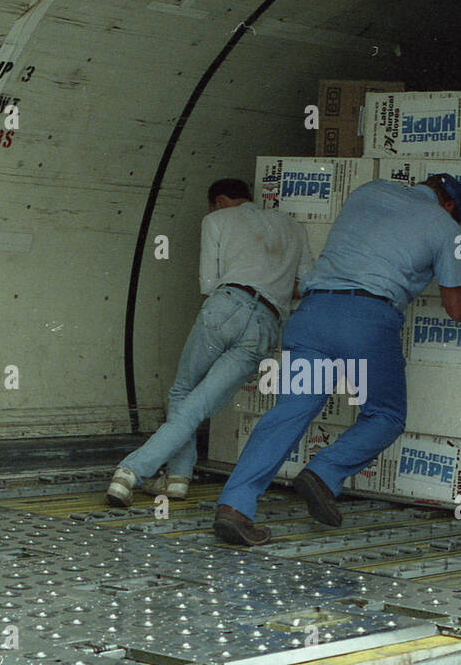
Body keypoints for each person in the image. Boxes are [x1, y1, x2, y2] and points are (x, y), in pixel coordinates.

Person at [213, 174, 461, 546]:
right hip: (366, 321)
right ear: (450, 207)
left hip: (312, 313)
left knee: (290, 410)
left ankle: (234, 507)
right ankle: (323, 472)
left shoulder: (368, 191)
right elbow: (457, 307)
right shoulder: (446, 229)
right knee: (385, 415)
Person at [105, 178, 312, 506]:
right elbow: (304, 286)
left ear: (218, 201)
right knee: (199, 404)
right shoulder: (292, 227)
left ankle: (132, 471)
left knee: (183, 393)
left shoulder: (216, 220)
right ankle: (176, 480)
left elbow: (209, 285)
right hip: (266, 323)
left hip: (226, 305)